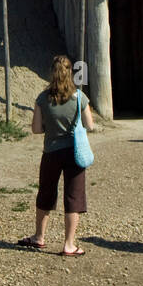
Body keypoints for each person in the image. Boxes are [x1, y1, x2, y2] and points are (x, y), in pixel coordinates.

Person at [19, 55, 95, 256]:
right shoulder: (80, 97)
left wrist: (50, 125)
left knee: (46, 192)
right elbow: (90, 125)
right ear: (70, 73)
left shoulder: (42, 99)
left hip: (51, 152)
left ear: (51, 73)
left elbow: (36, 129)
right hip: (74, 152)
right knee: (73, 196)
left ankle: (39, 237)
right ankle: (69, 244)